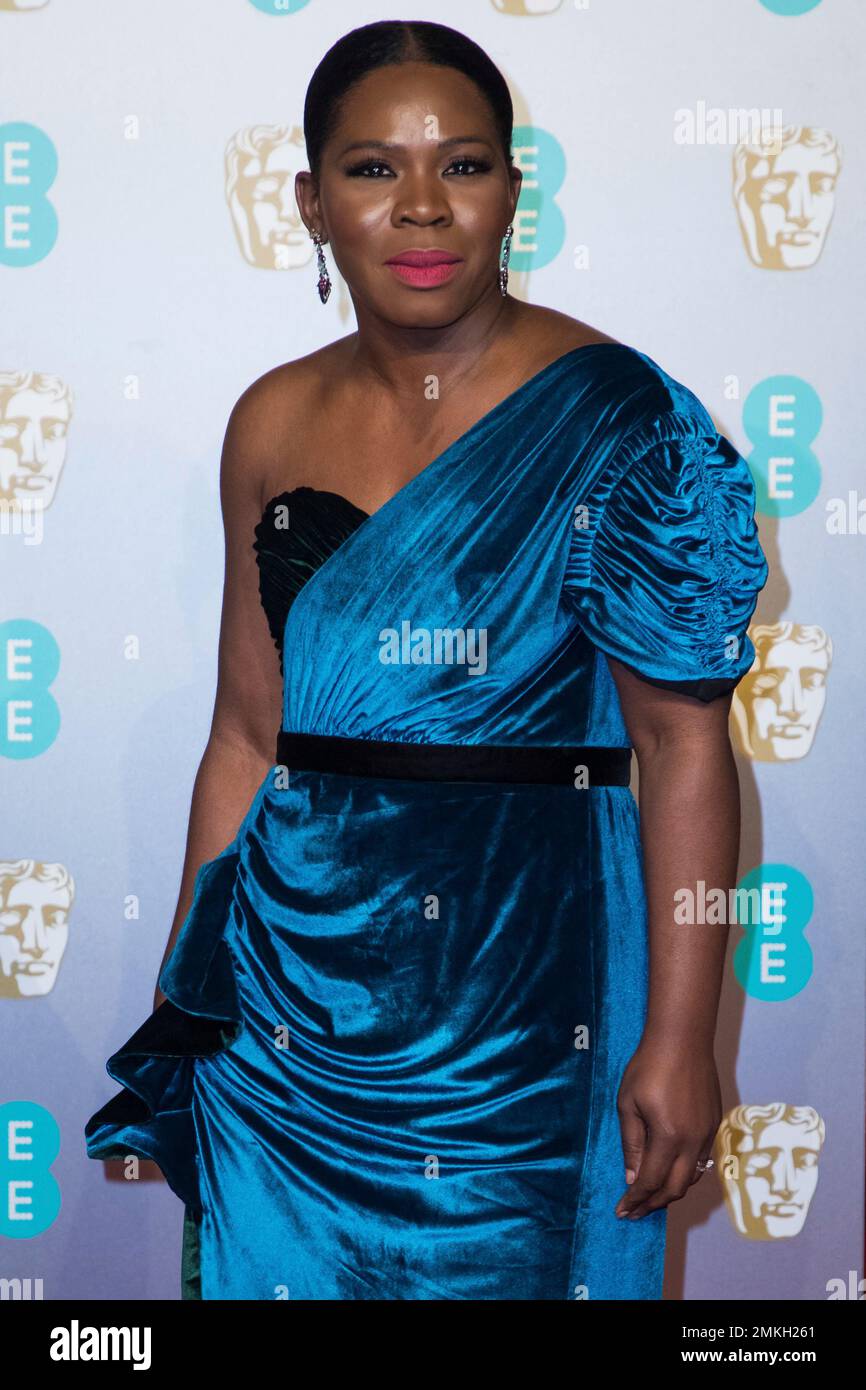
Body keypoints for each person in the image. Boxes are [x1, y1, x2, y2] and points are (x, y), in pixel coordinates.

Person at [85, 19, 769, 1301]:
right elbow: (246, 734)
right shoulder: (272, 416)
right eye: (369, 168)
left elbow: (681, 741)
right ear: (308, 202)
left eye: (460, 166)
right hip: (288, 1008)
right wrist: (191, 997)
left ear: (514, 189)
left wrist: (678, 1035)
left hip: (529, 1002)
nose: (419, 207)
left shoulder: (620, 417)